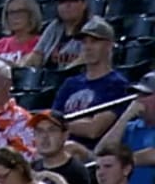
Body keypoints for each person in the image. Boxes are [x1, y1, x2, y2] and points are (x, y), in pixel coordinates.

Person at [49, 18, 128, 148]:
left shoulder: (117, 84)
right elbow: (52, 120)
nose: (88, 47)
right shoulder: (70, 83)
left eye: (94, 41)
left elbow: (94, 130)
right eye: (84, 42)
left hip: (93, 153)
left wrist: (60, 126)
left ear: (109, 45)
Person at [96, 71, 155, 184]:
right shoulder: (130, 127)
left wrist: (119, 162)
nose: (138, 100)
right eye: (138, 94)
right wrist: (125, 117)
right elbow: (100, 152)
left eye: (145, 95)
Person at [31, 110, 94, 184]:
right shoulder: (32, 169)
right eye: (39, 131)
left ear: (65, 135)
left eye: (52, 130)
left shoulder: (76, 171)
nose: (44, 136)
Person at [22, 0, 92, 72]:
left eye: (73, 0)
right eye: (62, 1)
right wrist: (21, 66)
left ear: (84, 4)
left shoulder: (93, 27)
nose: (67, 5)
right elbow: (37, 54)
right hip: (48, 80)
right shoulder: (54, 27)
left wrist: (62, 73)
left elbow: (87, 58)